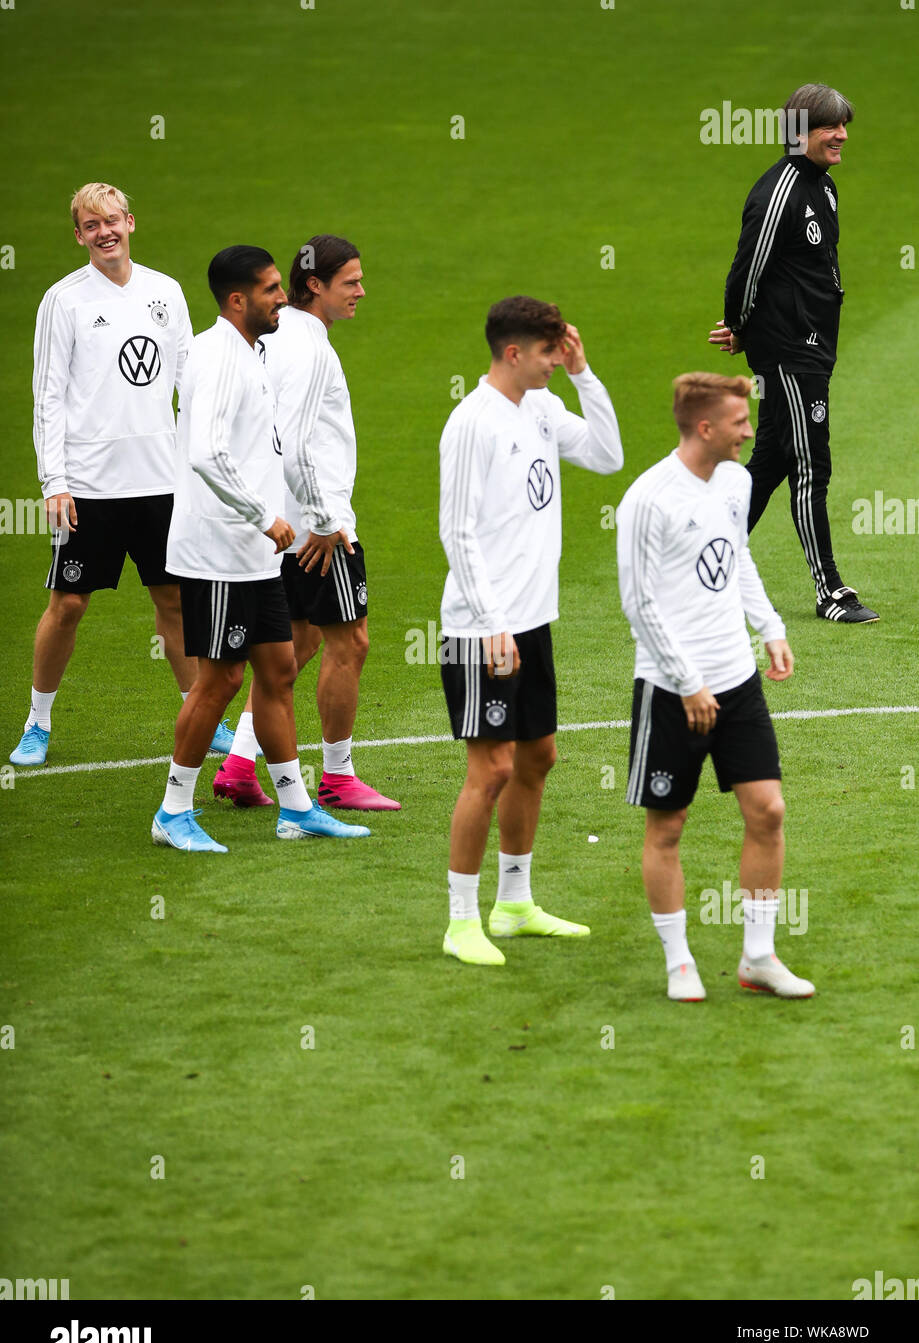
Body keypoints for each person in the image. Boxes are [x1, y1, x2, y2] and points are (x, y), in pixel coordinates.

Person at [151, 245, 370, 851]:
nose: (284, 299)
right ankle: (172, 811)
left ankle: (296, 808)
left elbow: (278, 447)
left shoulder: (252, 353)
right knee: (218, 682)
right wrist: (263, 516)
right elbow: (206, 453)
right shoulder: (219, 356)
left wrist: (320, 517)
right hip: (219, 550)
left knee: (276, 669)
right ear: (238, 300)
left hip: (255, 555)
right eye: (273, 290)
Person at [9, 183, 236, 767]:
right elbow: (48, 397)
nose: (104, 231)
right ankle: (38, 720)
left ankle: (200, 714)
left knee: (174, 599)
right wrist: (53, 482)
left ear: (131, 222)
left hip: (162, 481)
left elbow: (191, 380)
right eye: (91, 224)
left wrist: (209, 457)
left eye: (113, 220)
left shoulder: (166, 292)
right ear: (79, 235)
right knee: (69, 603)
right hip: (89, 487)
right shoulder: (64, 301)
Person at [616, 372, 814, 1001]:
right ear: (705, 427)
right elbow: (638, 604)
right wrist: (688, 682)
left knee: (769, 810)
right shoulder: (648, 498)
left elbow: (737, 556)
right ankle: (679, 962)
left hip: (738, 679)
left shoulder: (736, 480)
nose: (750, 432)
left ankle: (758, 956)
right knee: (667, 827)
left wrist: (770, 624)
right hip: (672, 689)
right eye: (739, 423)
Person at [438, 295, 623, 965]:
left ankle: (513, 904)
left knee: (537, 758)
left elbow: (606, 456)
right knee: (489, 770)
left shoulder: (542, 406)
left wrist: (582, 373)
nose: (555, 358)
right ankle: (461, 921)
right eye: (548, 352)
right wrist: (489, 624)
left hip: (532, 621)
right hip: (479, 629)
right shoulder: (471, 424)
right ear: (513, 353)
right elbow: (454, 530)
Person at [212, 235, 400, 812]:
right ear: (315, 285)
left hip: (277, 524)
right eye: (351, 283)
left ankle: (241, 766)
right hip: (318, 527)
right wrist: (324, 519)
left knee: (297, 641)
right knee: (352, 642)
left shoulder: (275, 335)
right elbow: (292, 445)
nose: (362, 292)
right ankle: (338, 777)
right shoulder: (313, 347)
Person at [709, 83, 877, 624]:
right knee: (812, 464)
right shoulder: (780, 189)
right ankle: (830, 591)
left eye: (844, 125)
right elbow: (748, 267)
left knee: (774, 457)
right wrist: (740, 327)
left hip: (811, 347)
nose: (843, 135)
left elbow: (812, 271)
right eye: (832, 126)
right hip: (789, 351)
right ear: (799, 132)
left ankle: (702, 562)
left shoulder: (823, 188)